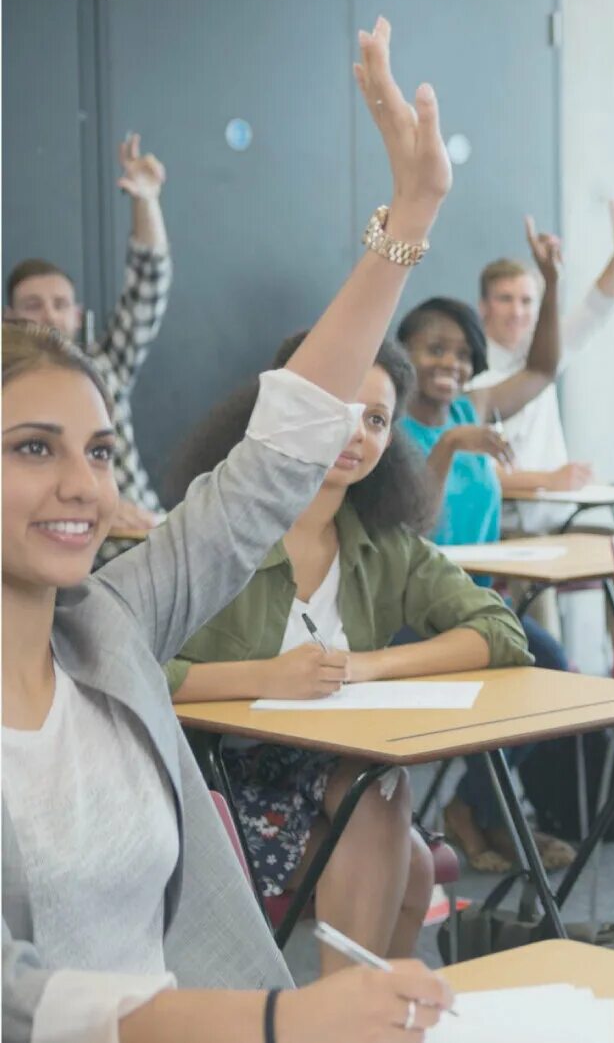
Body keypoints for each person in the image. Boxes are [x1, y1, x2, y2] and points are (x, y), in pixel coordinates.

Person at [1, 16, 454, 1041]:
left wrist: (409, 218)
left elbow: (278, 451)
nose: (83, 484)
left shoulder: (106, 623)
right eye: (34, 447)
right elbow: (18, 993)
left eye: (101, 451)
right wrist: (272, 1022)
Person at [164, 334, 531, 970]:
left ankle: (351, 1020)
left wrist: (368, 666)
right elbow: (120, 668)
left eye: (376, 419)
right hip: (210, 780)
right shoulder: (212, 533)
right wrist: (264, 678)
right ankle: (355, 1021)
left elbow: (500, 631)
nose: (354, 432)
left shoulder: (383, 543)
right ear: (284, 411)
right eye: (336, 408)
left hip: (336, 774)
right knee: (409, 859)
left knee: (382, 797)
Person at [393, 292, 576, 873]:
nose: (452, 363)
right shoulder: (388, 427)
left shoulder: (470, 409)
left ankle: (474, 808)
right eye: (435, 349)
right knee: (520, 667)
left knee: (551, 671)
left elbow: (543, 369)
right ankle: (489, 816)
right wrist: (447, 446)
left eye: (464, 353)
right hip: (410, 615)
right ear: (404, 354)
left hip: (478, 605)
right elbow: (413, 524)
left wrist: (550, 279)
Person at [6, 134, 176, 533]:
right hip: (65, 548)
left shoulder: (103, 367)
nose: (49, 315)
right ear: (8, 317)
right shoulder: (6, 391)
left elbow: (149, 280)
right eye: (34, 305)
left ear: (79, 315)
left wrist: (146, 199)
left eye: (61, 304)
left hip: (143, 538)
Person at [470, 193, 614, 533]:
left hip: (558, 517)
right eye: (505, 299)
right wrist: (550, 479)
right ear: (484, 306)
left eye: (527, 301)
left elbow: (598, 305)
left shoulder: (545, 354)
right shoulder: (470, 370)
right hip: (502, 524)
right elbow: (475, 474)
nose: (517, 312)